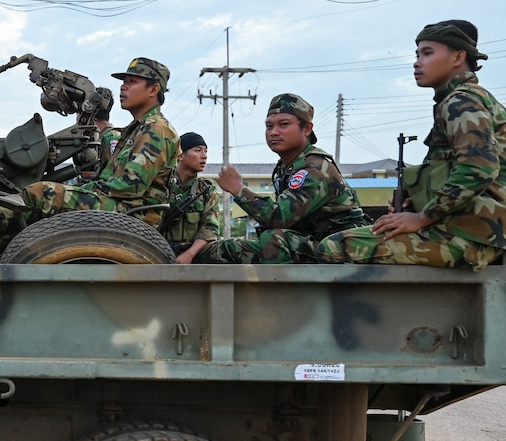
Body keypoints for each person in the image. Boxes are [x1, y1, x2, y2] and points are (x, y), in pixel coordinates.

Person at [0, 57, 180, 253]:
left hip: (131, 215)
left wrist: (84, 189)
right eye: (123, 82)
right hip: (122, 208)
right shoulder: (138, 128)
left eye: (132, 82)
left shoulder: (156, 129)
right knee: (32, 220)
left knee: (42, 193)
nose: (123, 87)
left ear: (153, 89)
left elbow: (130, 187)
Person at [317, 20, 506, 270]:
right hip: (472, 231)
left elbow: (479, 168)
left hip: (469, 236)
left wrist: (422, 217)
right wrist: (415, 202)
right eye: (417, 55)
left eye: (428, 53)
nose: (417, 62)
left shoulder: (460, 102)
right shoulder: (466, 98)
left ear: (458, 57)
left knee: (335, 247)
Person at [198, 93, 370, 264]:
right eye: (269, 126)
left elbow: (279, 218)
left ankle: (279, 284)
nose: (273, 132)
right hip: (309, 243)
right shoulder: (288, 166)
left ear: (307, 129)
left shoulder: (315, 168)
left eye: (284, 124)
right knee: (222, 249)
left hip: (337, 249)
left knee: (273, 238)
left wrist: (238, 189)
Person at [161, 132, 222, 263]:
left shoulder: (206, 189)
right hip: (160, 248)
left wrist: (189, 254)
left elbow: (210, 228)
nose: (204, 156)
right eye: (198, 150)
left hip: (194, 252)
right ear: (180, 155)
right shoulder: (161, 185)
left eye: (205, 151)